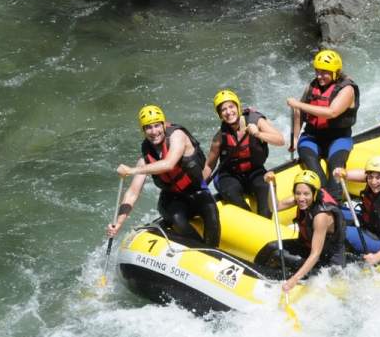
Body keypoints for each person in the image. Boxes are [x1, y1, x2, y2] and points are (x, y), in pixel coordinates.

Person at [108, 105, 220, 247]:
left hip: (197, 191)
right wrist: (118, 223)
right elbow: (132, 193)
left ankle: (213, 249)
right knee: (177, 220)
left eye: (157, 126)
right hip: (172, 199)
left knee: (212, 214)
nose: (154, 132)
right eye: (148, 127)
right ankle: (201, 250)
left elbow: (169, 164)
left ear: (164, 124)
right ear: (143, 131)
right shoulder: (145, 159)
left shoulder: (178, 136)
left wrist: (131, 170)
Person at [287, 49, 359, 194]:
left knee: (336, 168)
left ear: (335, 72)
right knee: (312, 165)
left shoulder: (347, 89)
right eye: (317, 71)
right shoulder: (312, 86)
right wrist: (295, 138)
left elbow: (332, 112)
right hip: (312, 136)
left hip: (338, 137)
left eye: (324, 72)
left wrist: (298, 104)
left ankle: (335, 205)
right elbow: (299, 113)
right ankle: (322, 198)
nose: (319, 76)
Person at [204, 89, 285, 218]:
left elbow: (280, 140)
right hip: (230, 175)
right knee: (231, 192)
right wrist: (199, 187)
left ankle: (264, 224)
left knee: (265, 190)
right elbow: (209, 166)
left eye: (231, 106)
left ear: (238, 107)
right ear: (220, 115)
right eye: (223, 110)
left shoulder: (256, 122)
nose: (229, 112)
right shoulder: (219, 138)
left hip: (255, 171)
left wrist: (258, 134)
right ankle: (250, 221)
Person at [261, 169, 346, 292]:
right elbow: (274, 206)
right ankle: (255, 275)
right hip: (307, 246)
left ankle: (281, 281)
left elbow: (315, 254)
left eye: (306, 194)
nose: (301, 198)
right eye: (297, 193)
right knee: (270, 247)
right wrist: (272, 185)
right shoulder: (302, 199)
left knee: (283, 258)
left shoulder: (321, 217)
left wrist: (294, 280)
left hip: (327, 260)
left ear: (314, 193)